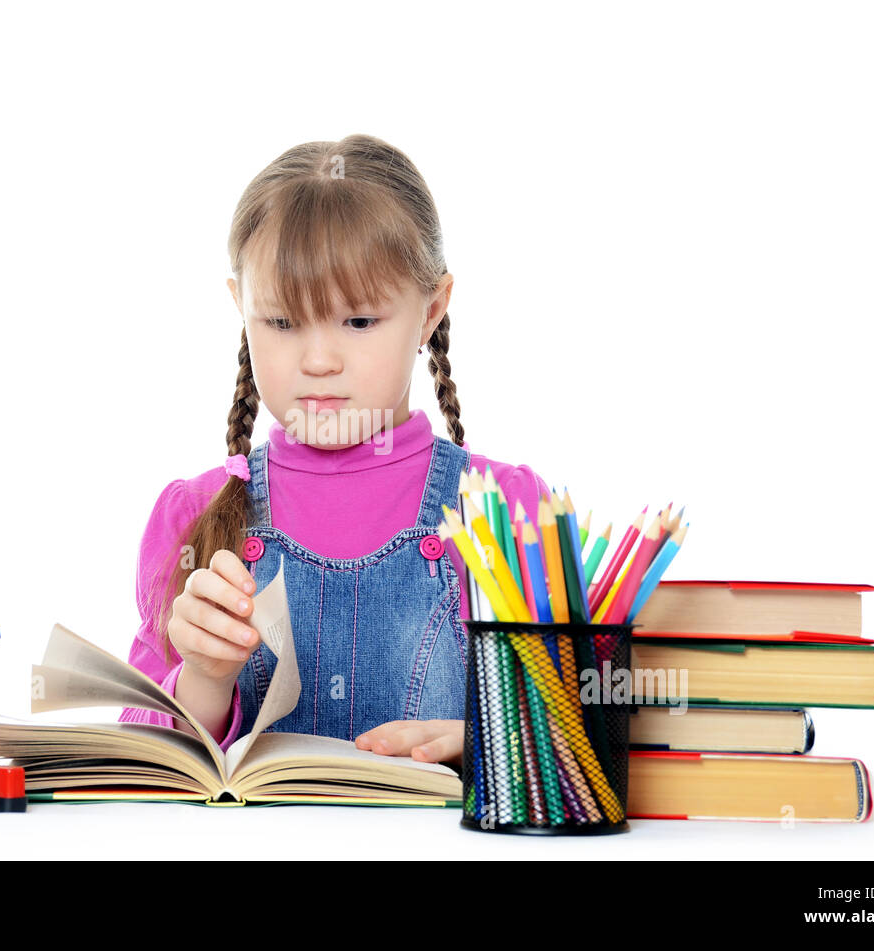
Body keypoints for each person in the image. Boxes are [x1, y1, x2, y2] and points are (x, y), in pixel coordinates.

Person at [119, 134, 551, 772]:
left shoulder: (507, 510)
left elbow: (575, 732)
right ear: (241, 306)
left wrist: (492, 736)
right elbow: (134, 763)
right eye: (283, 323)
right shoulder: (196, 511)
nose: (318, 361)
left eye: (359, 322)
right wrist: (205, 681)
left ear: (431, 310)